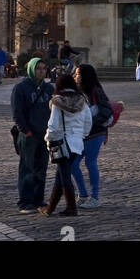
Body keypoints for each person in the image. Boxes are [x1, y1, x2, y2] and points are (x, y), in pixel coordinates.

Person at [39, 73, 92, 217]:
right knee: (60, 177)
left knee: (65, 177)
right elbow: (88, 122)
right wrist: (82, 135)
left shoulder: (58, 102)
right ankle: (50, 208)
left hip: (63, 143)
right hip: (77, 143)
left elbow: (53, 125)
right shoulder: (83, 101)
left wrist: (48, 139)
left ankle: (71, 208)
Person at [11, 58, 53, 213]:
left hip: (45, 134)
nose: (41, 71)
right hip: (28, 134)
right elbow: (17, 112)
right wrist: (25, 130)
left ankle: (38, 199)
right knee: (27, 168)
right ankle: (25, 201)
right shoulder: (21, 88)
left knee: (41, 168)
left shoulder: (48, 88)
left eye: (43, 68)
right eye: (38, 68)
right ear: (31, 70)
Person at [73, 63, 113, 209]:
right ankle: (83, 194)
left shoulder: (96, 90)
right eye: (75, 73)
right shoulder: (77, 91)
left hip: (95, 133)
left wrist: (90, 123)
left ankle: (95, 197)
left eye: (78, 74)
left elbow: (106, 111)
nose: (76, 76)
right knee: (72, 164)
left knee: (90, 163)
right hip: (81, 134)